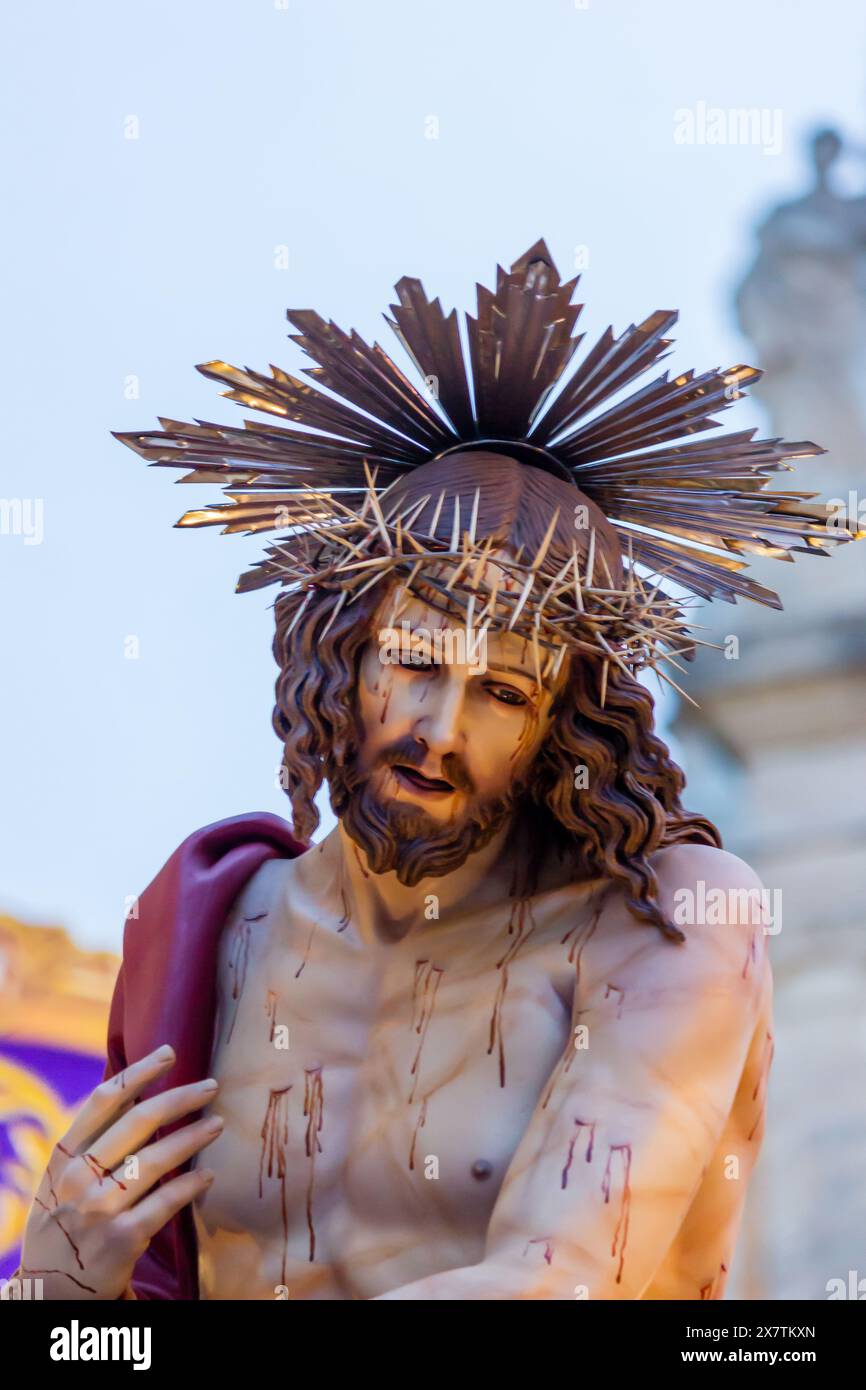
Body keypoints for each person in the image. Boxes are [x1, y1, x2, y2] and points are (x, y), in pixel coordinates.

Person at [16, 241, 856, 1300]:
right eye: (415, 664)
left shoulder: (661, 921)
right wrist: (51, 1288)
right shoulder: (209, 919)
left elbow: (558, 1281)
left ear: (559, 723)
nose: (441, 727)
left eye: (502, 693)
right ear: (340, 651)